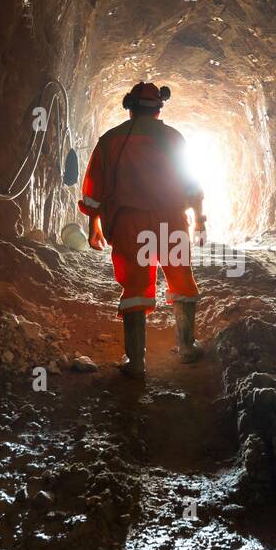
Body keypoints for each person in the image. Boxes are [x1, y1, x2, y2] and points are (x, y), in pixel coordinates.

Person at [78, 82, 207, 378]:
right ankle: (186, 347)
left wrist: (94, 226)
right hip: (171, 219)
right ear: (159, 108)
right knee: (181, 279)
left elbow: (94, 191)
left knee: (135, 286)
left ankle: (135, 362)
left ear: (129, 107)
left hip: (129, 224)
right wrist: (199, 220)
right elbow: (191, 184)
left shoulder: (110, 140)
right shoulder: (174, 138)